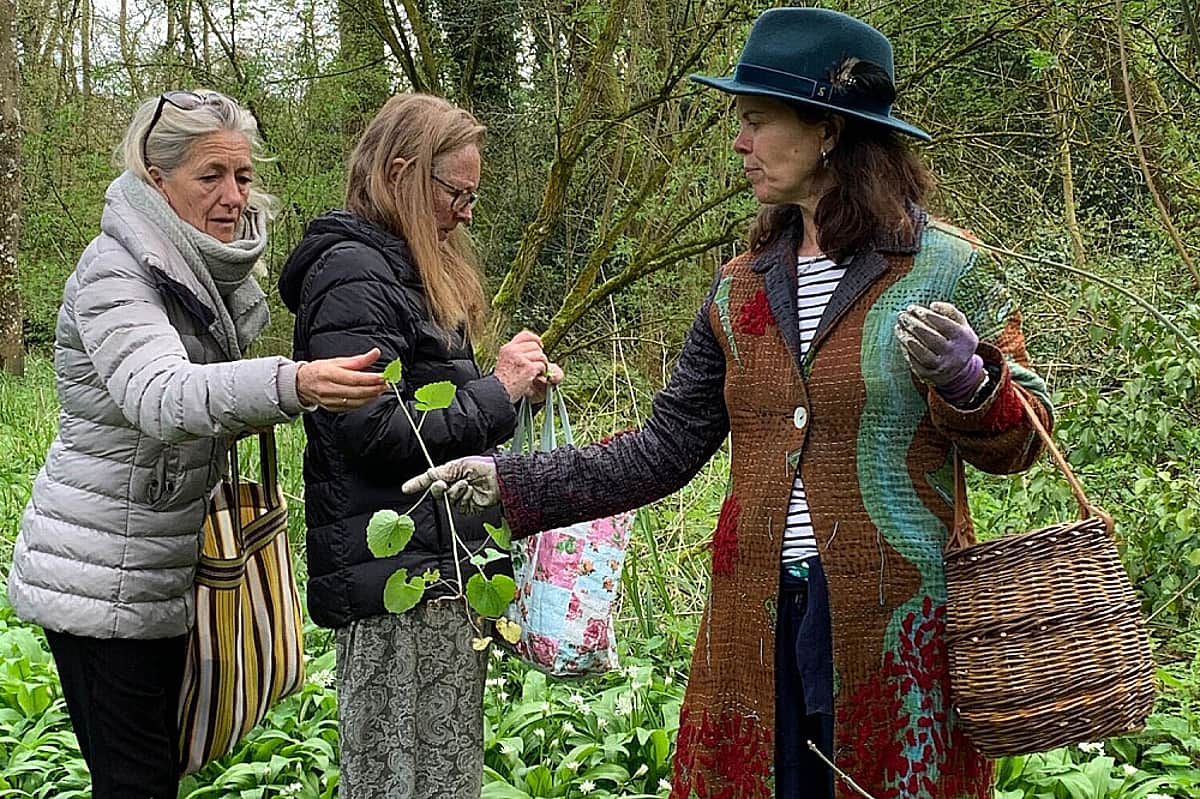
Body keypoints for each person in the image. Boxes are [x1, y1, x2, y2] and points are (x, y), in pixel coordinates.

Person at [403, 9, 1053, 799]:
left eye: (755, 122)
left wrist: (970, 383)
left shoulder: (946, 269)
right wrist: (512, 484)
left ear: (828, 131)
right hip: (756, 624)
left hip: (897, 629)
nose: (738, 143)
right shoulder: (739, 287)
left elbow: (1028, 440)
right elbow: (664, 447)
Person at [6, 91, 385, 798]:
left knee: (151, 775)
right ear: (156, 179)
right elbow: (163, 396)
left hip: (162, 566)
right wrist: (294, 382)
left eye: (242, 177)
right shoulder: (114, 272)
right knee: (137, 782)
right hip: (99, 577)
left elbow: (211, 402)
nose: (234, 195)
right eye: (211, 175)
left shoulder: (198, 272)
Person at [277, 93, 560, 799]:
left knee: (439, 777)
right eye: (456, 192)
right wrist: (496, 388)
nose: (467, 210)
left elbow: (433, 406)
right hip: (391, 587)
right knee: (393, 780)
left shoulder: (401, 264)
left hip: (435, 578)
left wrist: (516, 391)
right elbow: (372, 431)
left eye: (473, 193)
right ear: (402, 172)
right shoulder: (350, 272)